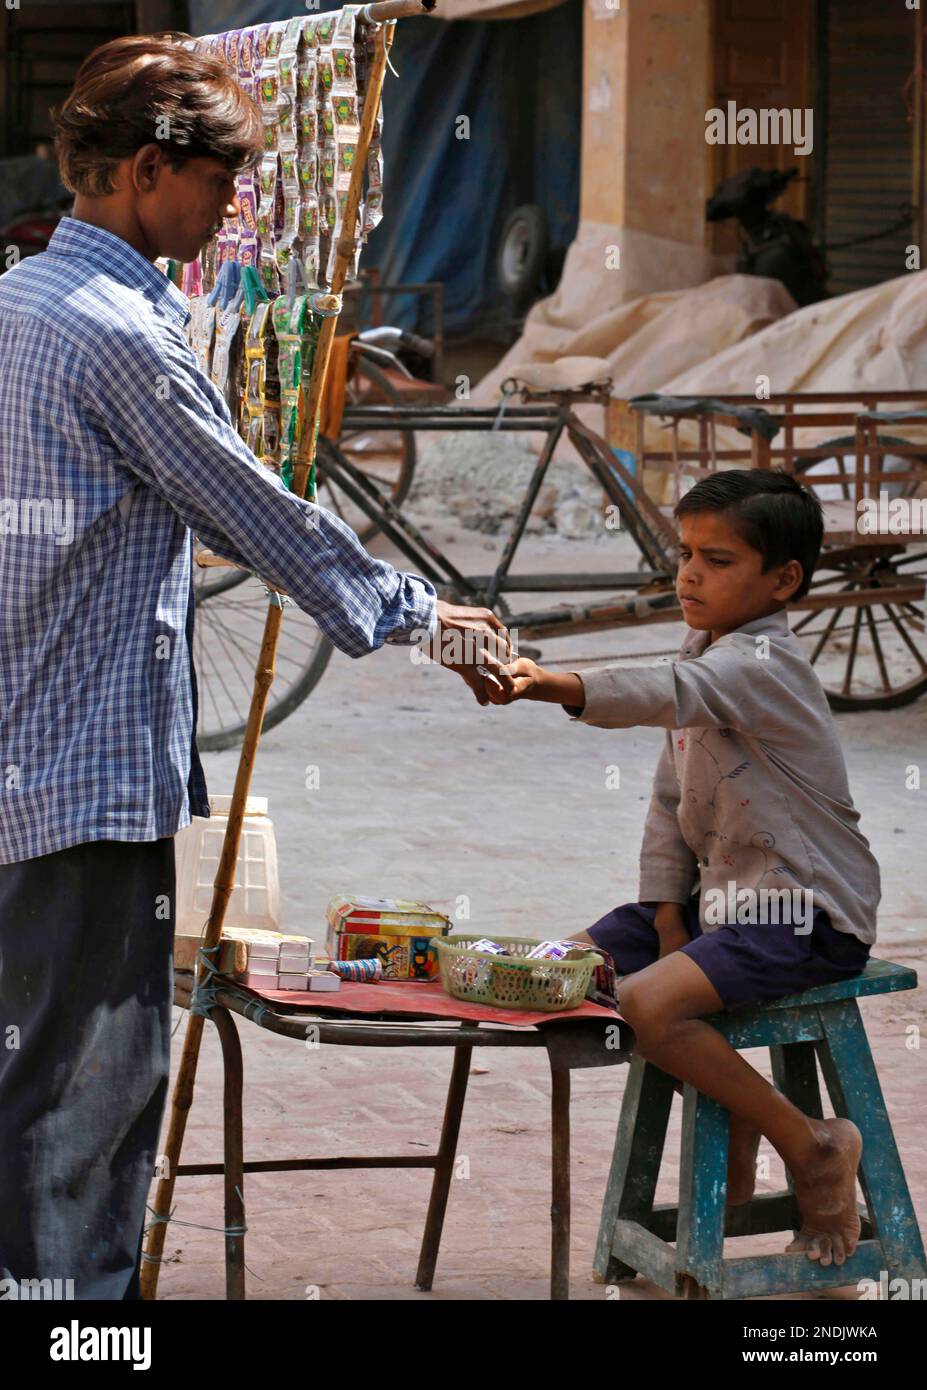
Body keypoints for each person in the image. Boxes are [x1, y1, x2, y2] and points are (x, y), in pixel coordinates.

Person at [0, 34, 503, 1300]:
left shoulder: (21, 301)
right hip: (82, 775)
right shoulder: (120, 330)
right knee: (84, 1107)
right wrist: (421, 615)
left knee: (31, 1088)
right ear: (148, 172)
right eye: (220, 184)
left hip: (28, 761)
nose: (232, 212)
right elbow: (252, 510)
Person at [485, 469, 880, 1269]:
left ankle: (808, 1146)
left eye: (718, 559)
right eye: (684, 553)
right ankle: (733, 1138)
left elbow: (661, 688)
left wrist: (546, 681)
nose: (690, 574)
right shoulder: (705, 649)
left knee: (645, 1003)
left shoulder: (763, 664)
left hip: (805, 912)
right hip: (717, 903)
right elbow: (670, 800)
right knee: (550, 973)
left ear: (783, 580)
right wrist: (666, 913)